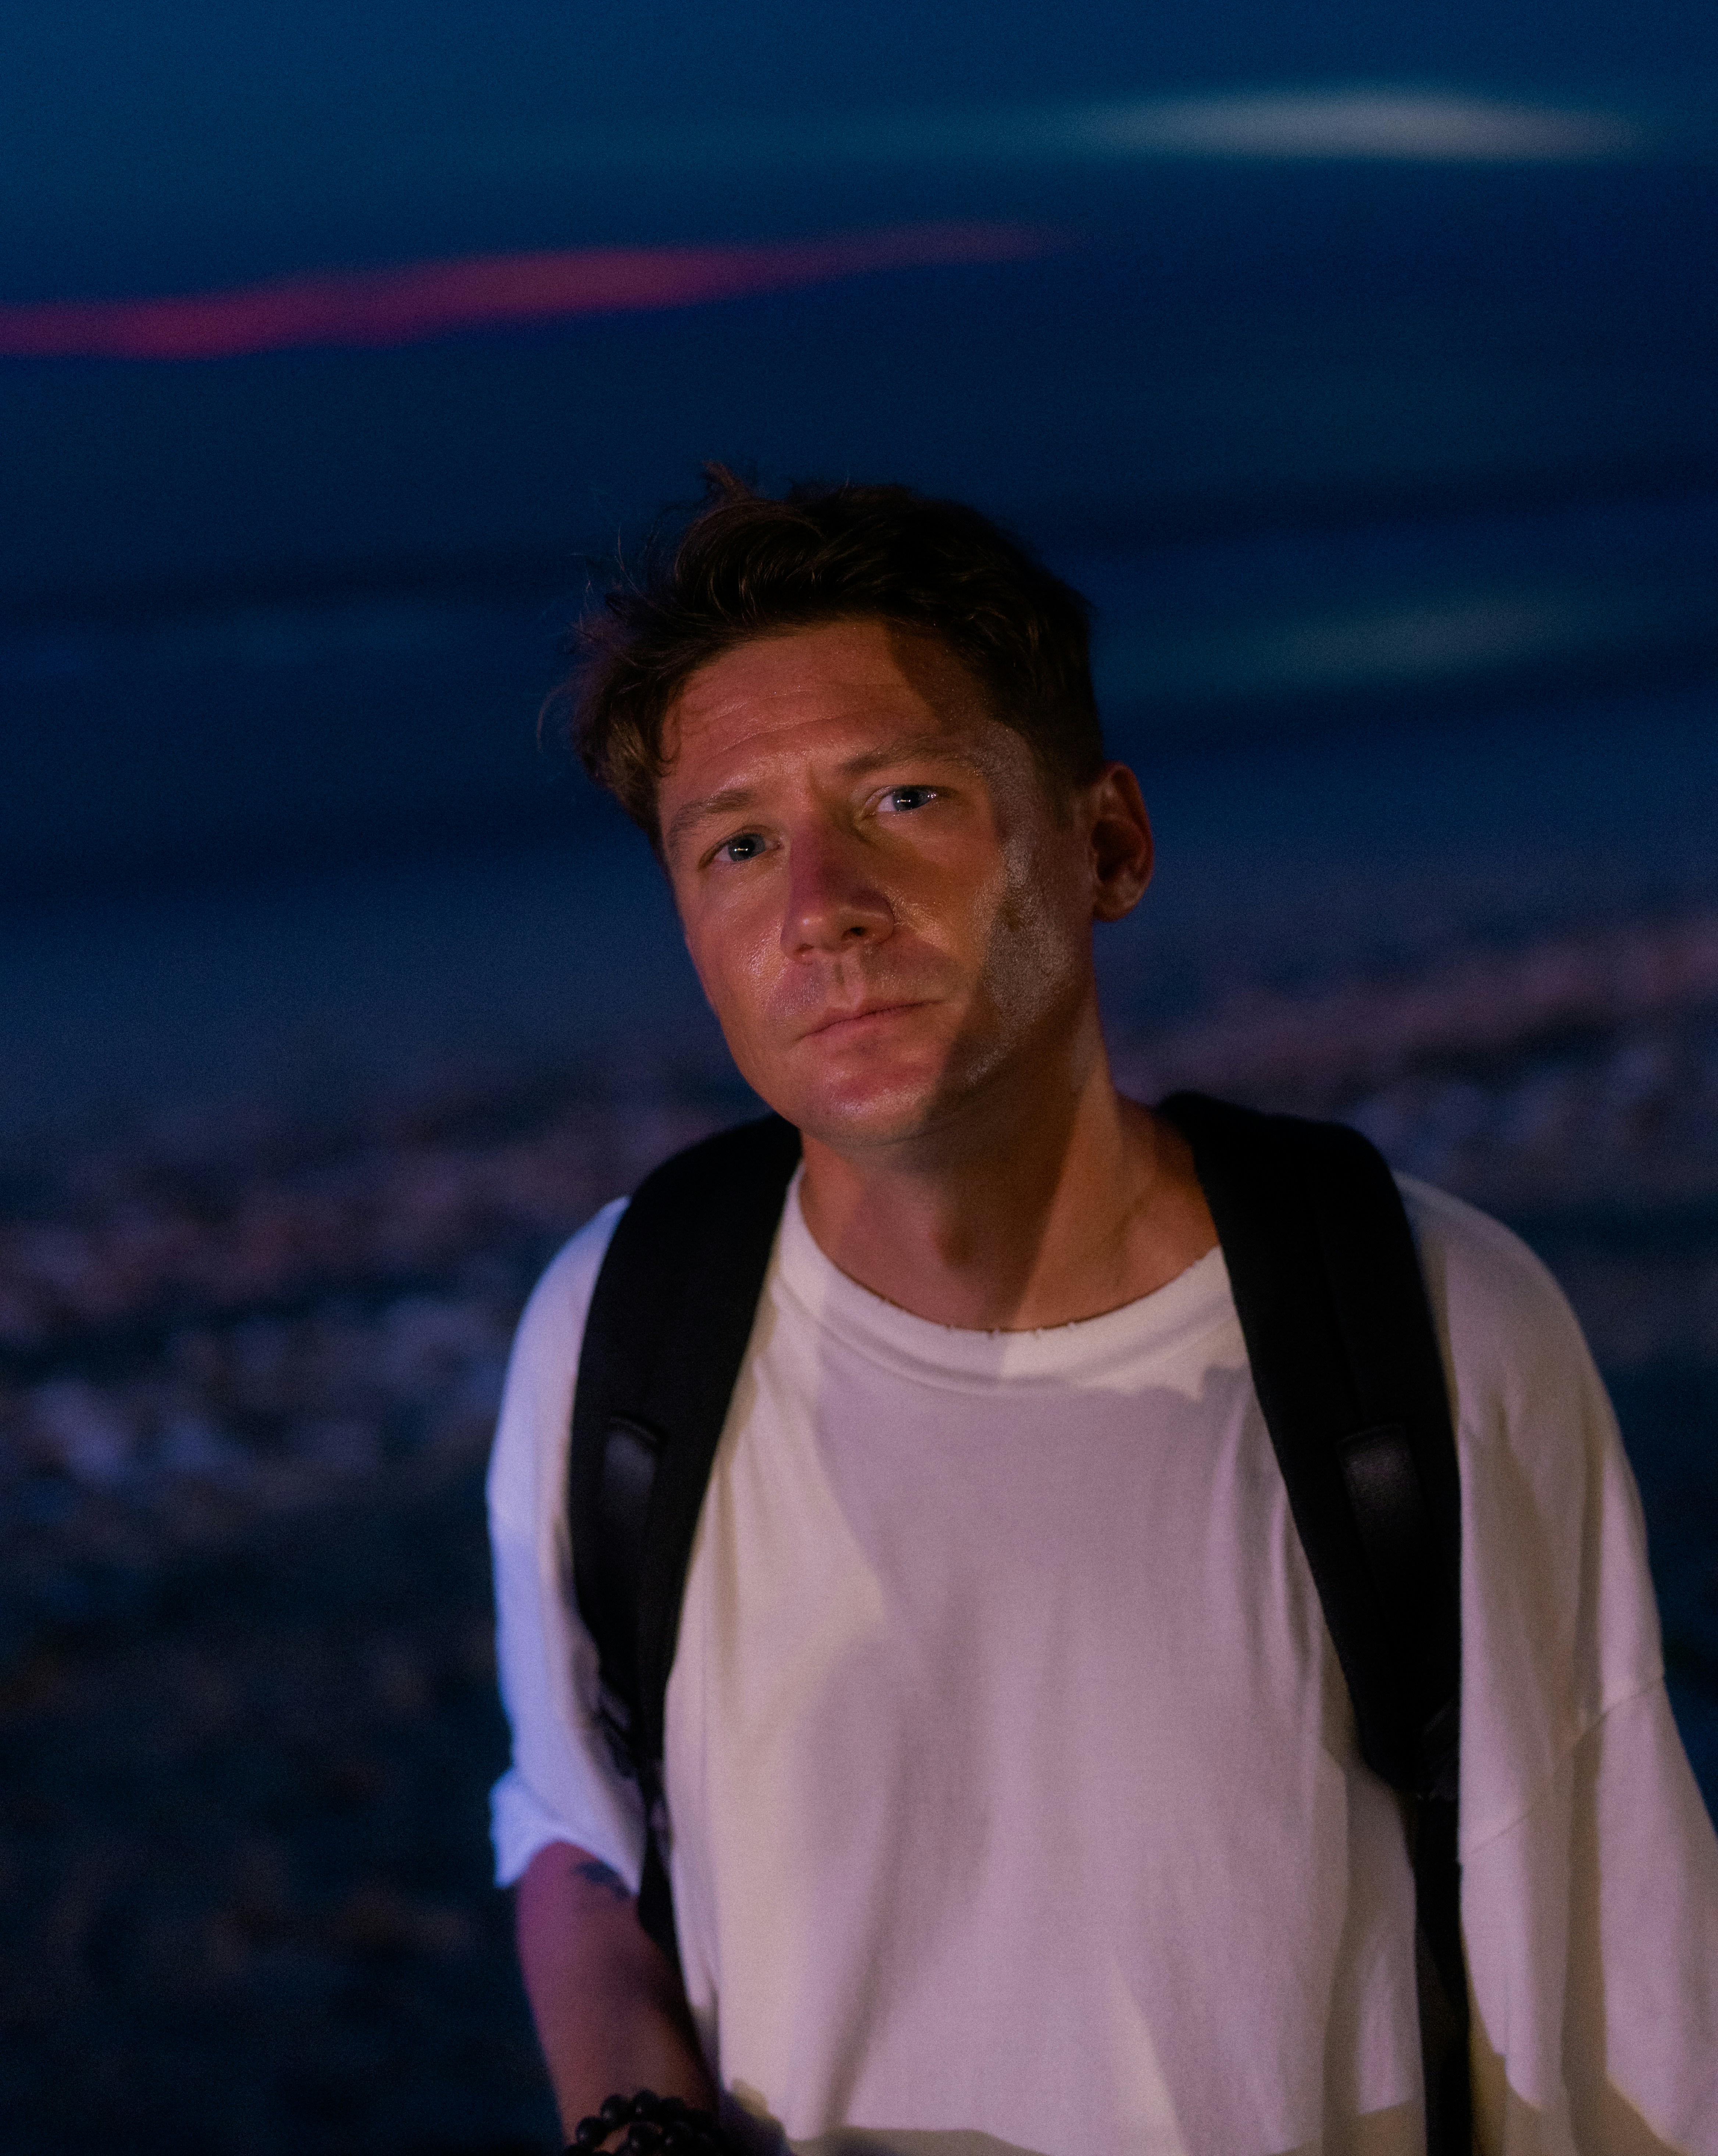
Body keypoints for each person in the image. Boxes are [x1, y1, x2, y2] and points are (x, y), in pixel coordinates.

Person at [486, 472, 1718, 2156]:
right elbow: (574, 1830)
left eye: (904, 797)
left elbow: (1616, 1970)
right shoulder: (621, 1323)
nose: (819, 907)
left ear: (1108, 843)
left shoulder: (1422, 1323)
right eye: (738, 844)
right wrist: (628, 2125)